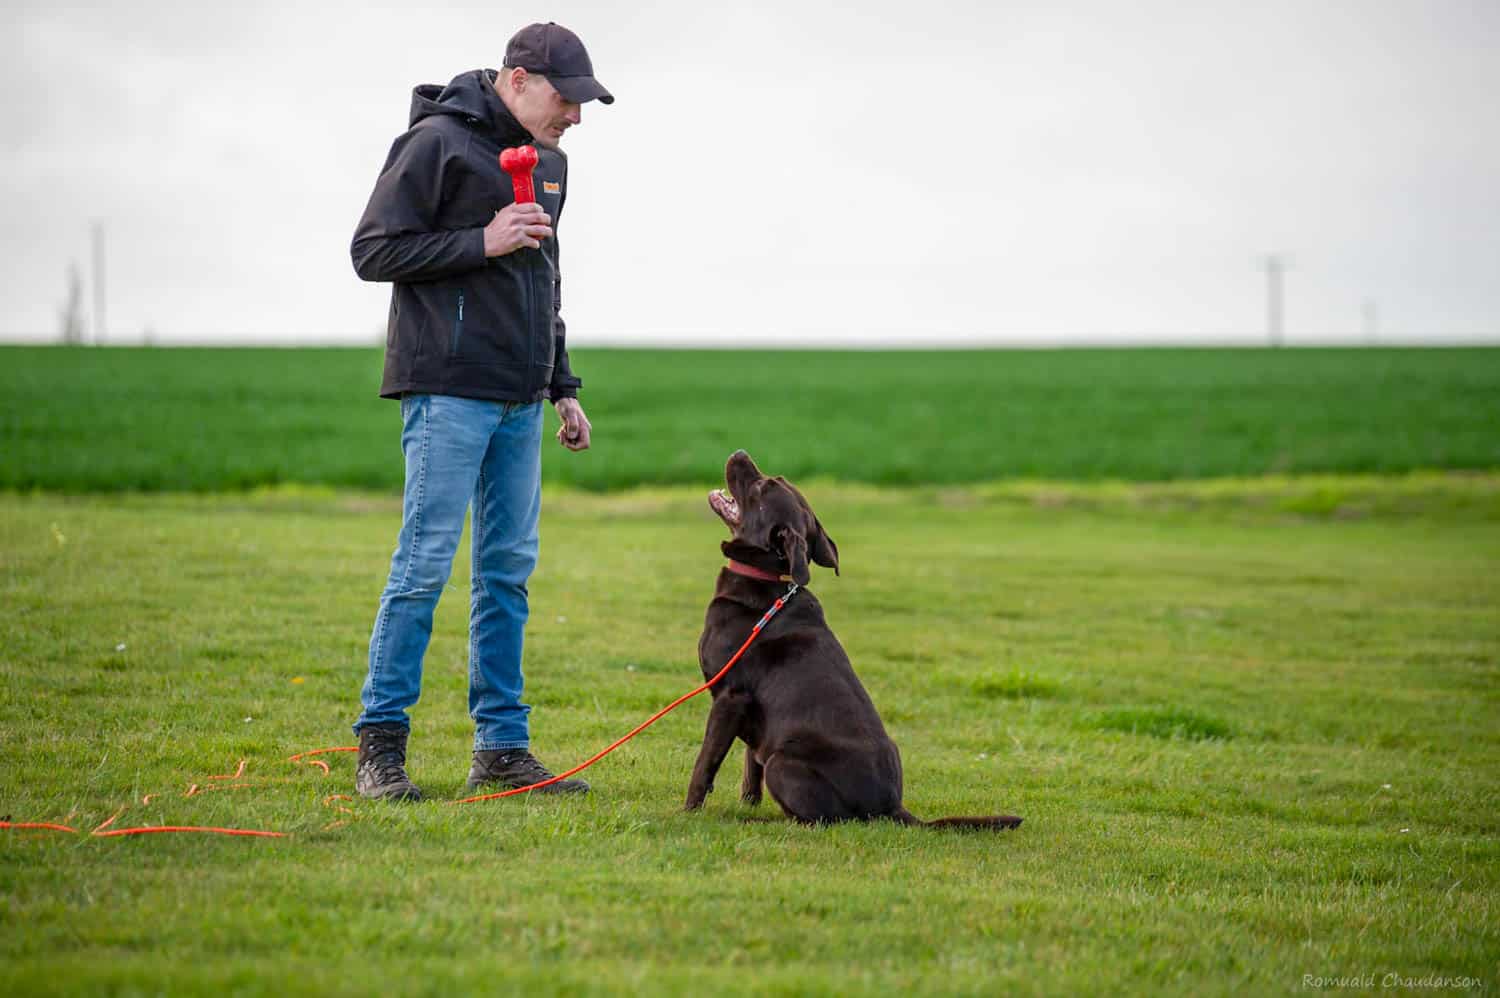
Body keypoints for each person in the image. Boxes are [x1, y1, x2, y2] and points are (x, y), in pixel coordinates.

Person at [347, 22, 613, 801]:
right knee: (424, 566)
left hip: (520, 399)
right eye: (567, 99)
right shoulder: (435, 144)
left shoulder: (554, 165)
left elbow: (546, 279)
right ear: (520, 79)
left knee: (507, 574)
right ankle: (381, 747)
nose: (574, 117)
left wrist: (562, 385)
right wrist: (480, 240)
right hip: (447, 389)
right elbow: (372, 251)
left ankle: (501, 749)